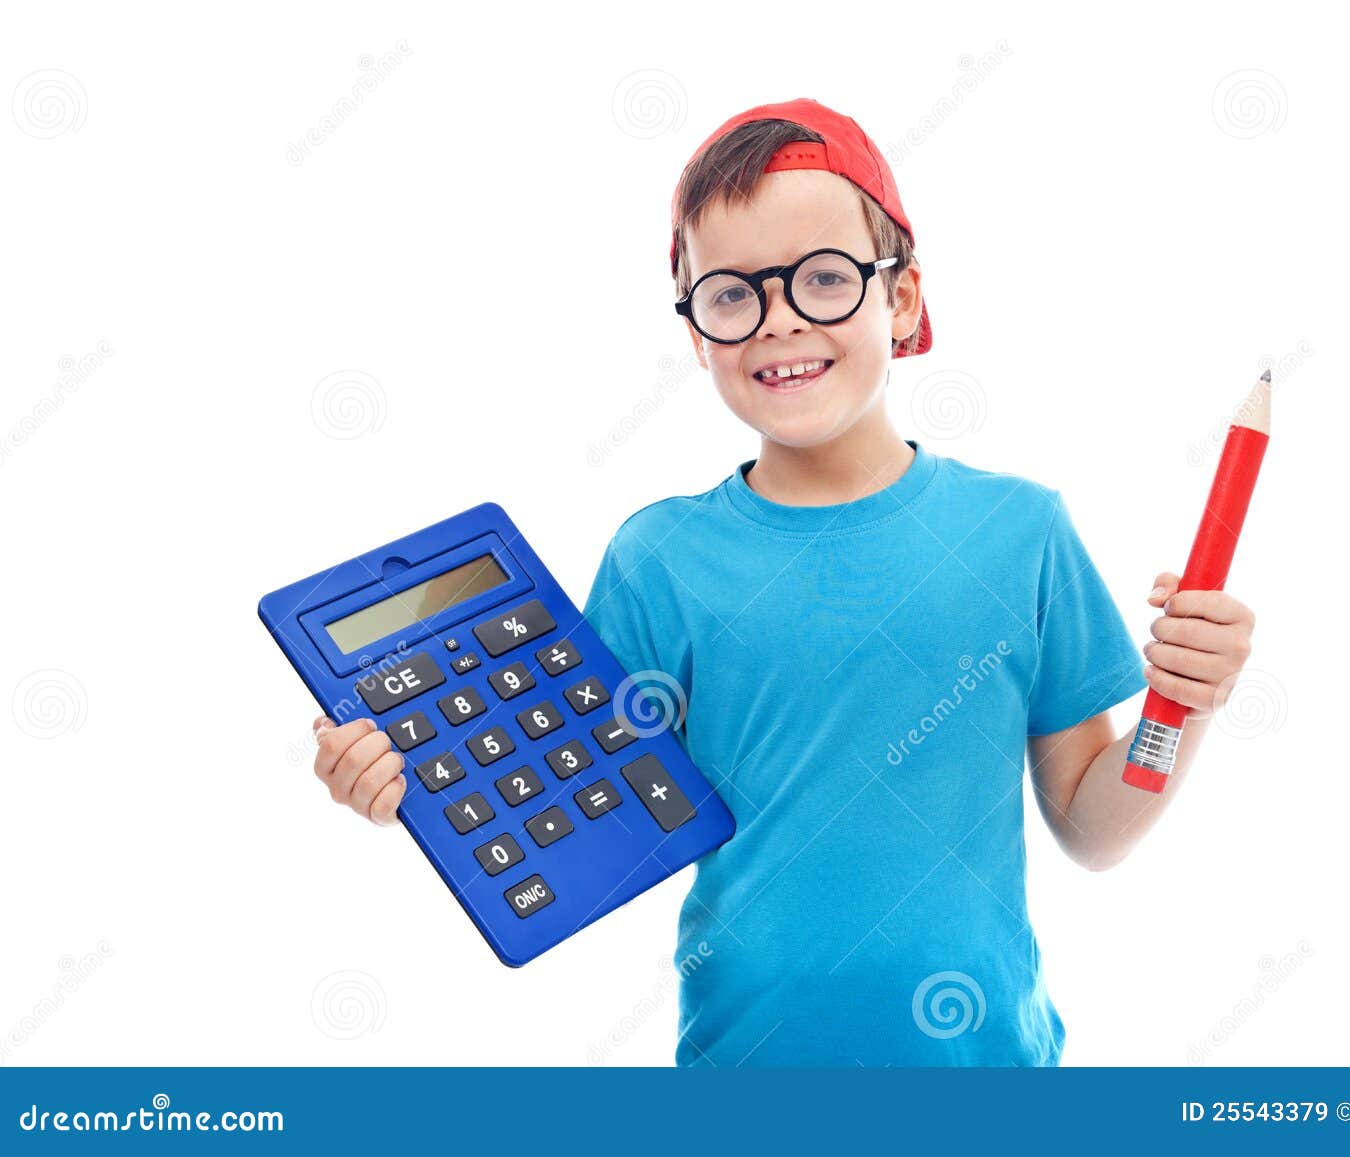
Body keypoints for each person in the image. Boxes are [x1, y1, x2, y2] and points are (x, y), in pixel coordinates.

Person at [311, 97, 1257, 1066]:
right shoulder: (659, 557)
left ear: (902, 297)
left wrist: (1179, 705)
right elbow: (570, 801)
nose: (778, 321)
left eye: (822, 278)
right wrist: (412, 775)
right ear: (695, 329)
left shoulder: (1019, 531)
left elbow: (1095, 830)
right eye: (732, 293)